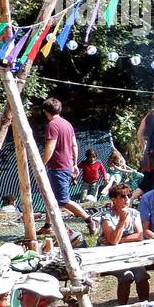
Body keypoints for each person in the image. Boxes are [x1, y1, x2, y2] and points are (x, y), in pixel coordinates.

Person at [38, 98, 91, 232]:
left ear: (45, 111)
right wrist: (74, 164)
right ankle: (48, 226)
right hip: (66, 166)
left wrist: (40, 164)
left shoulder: (52, 125)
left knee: (63, 200)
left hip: (58, 168)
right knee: (50, 196)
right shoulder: (67, 124)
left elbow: (50, 147)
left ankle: (89, 220)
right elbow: (74, 145)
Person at [97, 183, 148, 305]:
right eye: (123, 197)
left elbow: (139, 235)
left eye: (128, 196)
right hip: (110, 256)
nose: (127, 199)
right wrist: (121, 221)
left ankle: (146, 305)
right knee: (126, 275)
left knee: (141, 274)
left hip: (129, 254)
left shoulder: (134, 213)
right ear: (113, 199)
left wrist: (119, 239)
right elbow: (113, 241)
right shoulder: (107, 216)